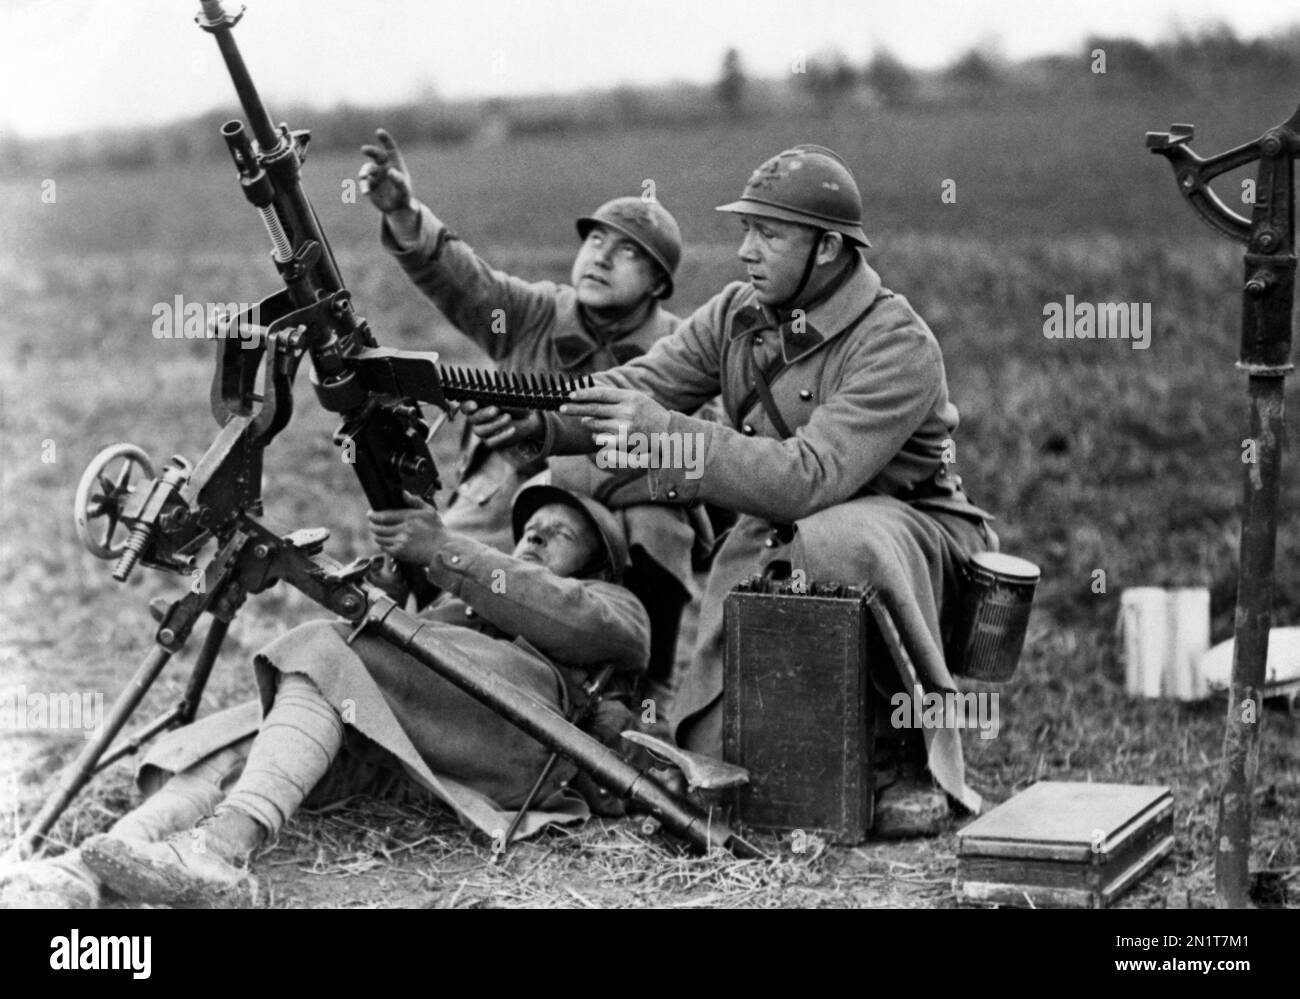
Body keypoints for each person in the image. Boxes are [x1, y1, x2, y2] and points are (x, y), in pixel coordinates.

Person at [465, 144, 998, 828]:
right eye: (746, 229)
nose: (745, 250)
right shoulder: (737, 314)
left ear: (829, 249)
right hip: (777, 529)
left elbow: (812, 478)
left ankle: (900, 752)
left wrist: (666, 433)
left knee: (840, 538)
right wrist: (535, 417)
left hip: (910, 540)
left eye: (768, 234)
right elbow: (638, 386)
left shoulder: (897, 344)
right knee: (721, 764)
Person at [4, 484, 647, 908]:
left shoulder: (618, 609)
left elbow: (563, 615)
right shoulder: (467, 603)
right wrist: (395, 592)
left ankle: (221, 848)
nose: (531, 537)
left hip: (523, 739)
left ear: (601, 563)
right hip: (421, 748)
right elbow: (414, 658)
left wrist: (445, 549)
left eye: (556, 533)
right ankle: (80, 876)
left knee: (319, 645)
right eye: (528, 528)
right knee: (240, 742)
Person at [359, 133, 699, 689]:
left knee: (662, 531)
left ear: (659, 283)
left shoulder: (681, 347)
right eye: (594, 241)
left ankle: (645, 685)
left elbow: (697, 448)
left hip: (615, 501)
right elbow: (464, 281)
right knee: (441, 551)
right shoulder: (533, 311)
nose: (601, 258)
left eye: (628, 250)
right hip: (505, 494)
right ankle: (432, 661)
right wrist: (404, 213)